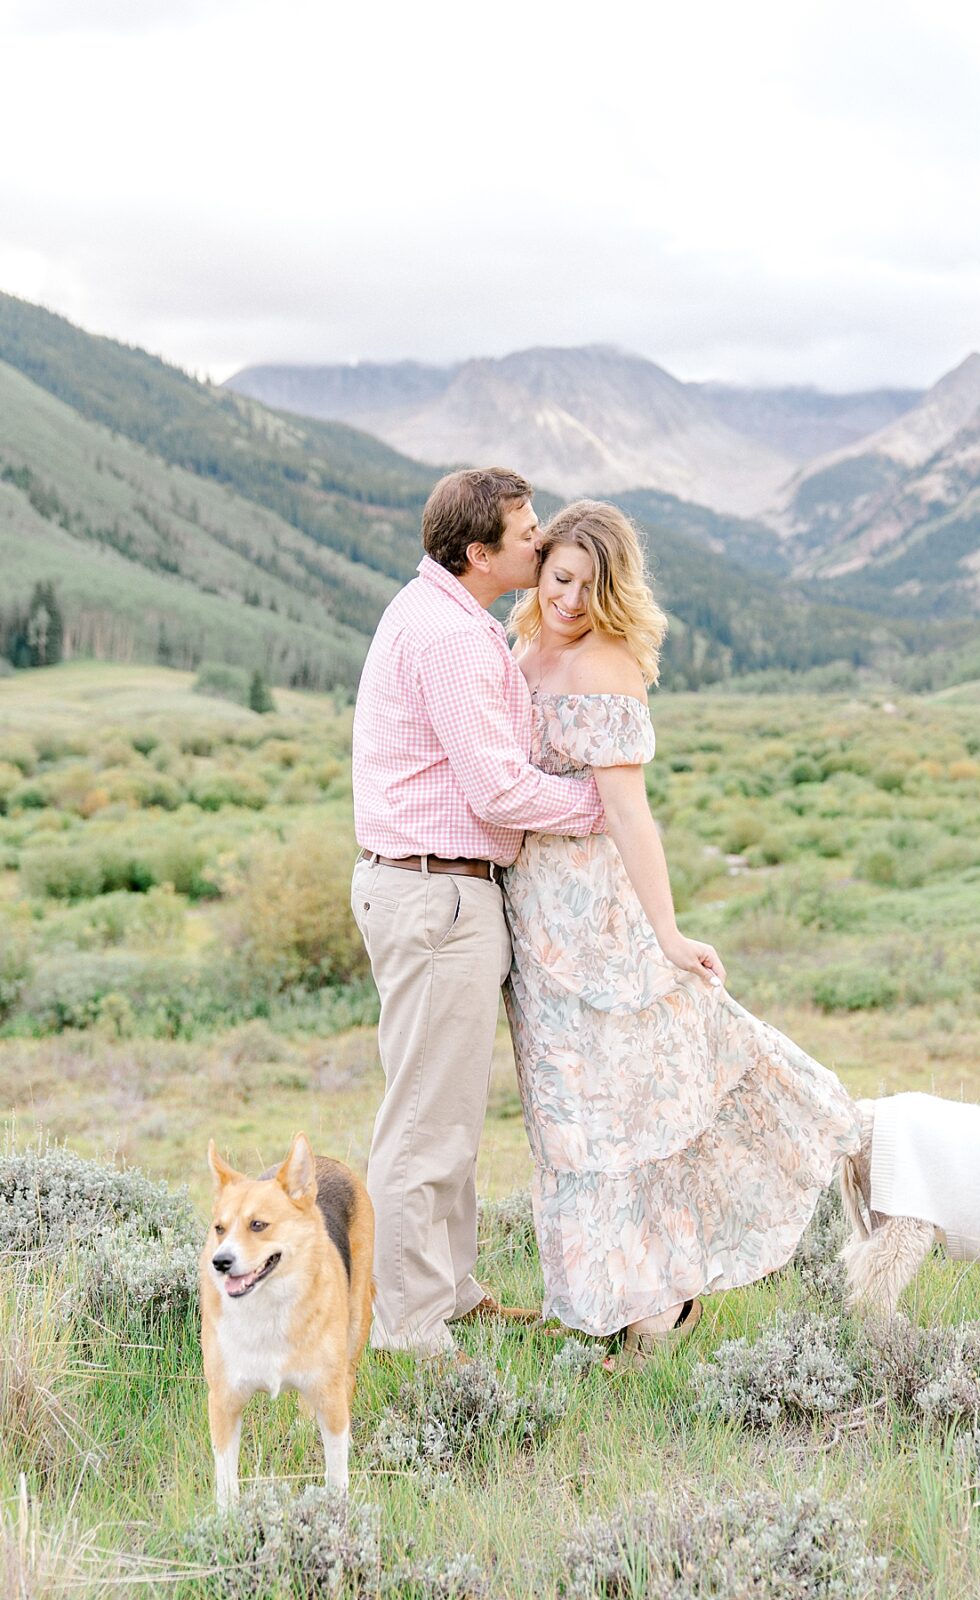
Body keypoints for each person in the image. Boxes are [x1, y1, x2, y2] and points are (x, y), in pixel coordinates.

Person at [503, 500, 862, 1369]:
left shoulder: (607, 666)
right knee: (564, 1119)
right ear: (538, 567)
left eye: (591, 588)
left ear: (614, 590)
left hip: (601, 920)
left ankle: (657, 1307)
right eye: (559, 579)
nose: (570, 601)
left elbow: (629, 814)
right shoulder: (520, 648)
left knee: (628, 1110)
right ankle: (605, 1298)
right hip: (530, 922)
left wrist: (665, 931)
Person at [351, 468, 606, 1359]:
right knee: (424, 1120)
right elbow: (497, 787)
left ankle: (450, 1293)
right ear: (479, 554)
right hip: (435, 893)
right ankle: (408, 1326)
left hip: (433, 888)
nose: (541, 543)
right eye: (527, 532)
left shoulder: (440, 614)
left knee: (447, 1111)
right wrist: (597, 809)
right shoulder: (455, 641)